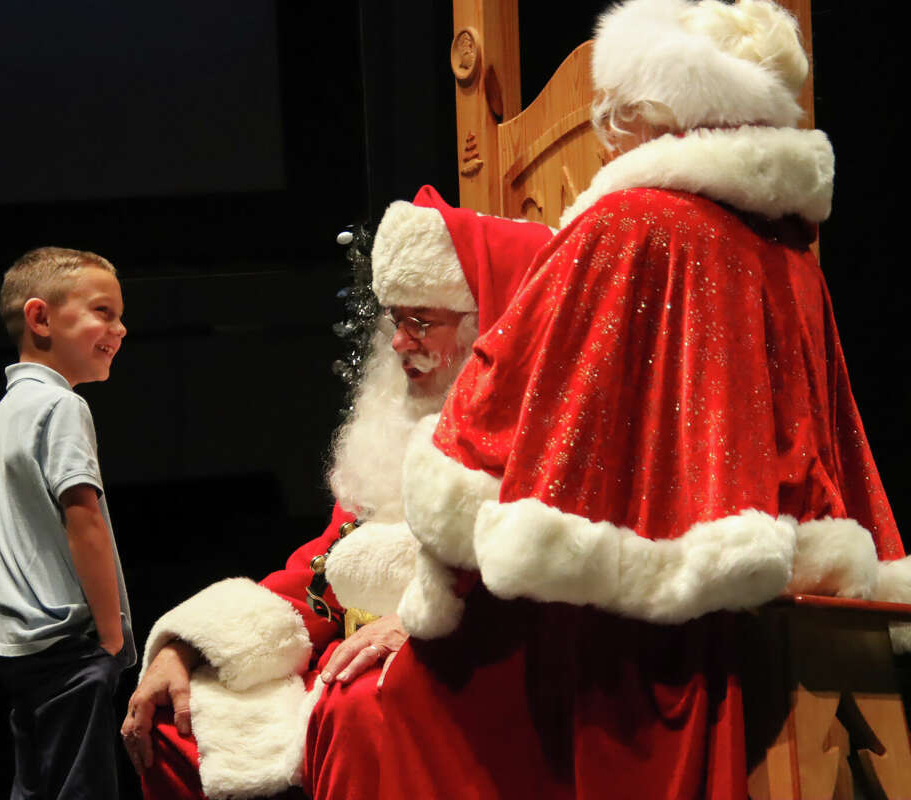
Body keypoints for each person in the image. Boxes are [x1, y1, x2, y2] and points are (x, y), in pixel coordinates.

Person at [379, 1, 910, 798]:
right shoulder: (794, 254)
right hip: (782, 630)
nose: (600, 126)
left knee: (372, 715)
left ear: (654, 104)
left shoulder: (628, 225)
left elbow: (503, 402)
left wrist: (430, 596)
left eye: (616, 103)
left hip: (627, 649)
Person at [119, 187, 553, 800]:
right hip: (369, 655)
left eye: (420, 321)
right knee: (177, 718)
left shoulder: (539, 437)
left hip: (479, 665)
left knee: (354, 709)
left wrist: (420, 619)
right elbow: (322, 574)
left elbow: (527, 584)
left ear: (489, 326)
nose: (400, 342)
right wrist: (190, 644)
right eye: (394, 321)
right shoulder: (394, 432)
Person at [0, 246, 137, 800]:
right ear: (40, 317)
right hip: (69, 643)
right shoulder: (61, 407)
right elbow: (84, 520)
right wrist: (111, 637)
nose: (120, 328)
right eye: (103, 311)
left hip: (18, 644)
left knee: (36, 788)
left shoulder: (9, 408)